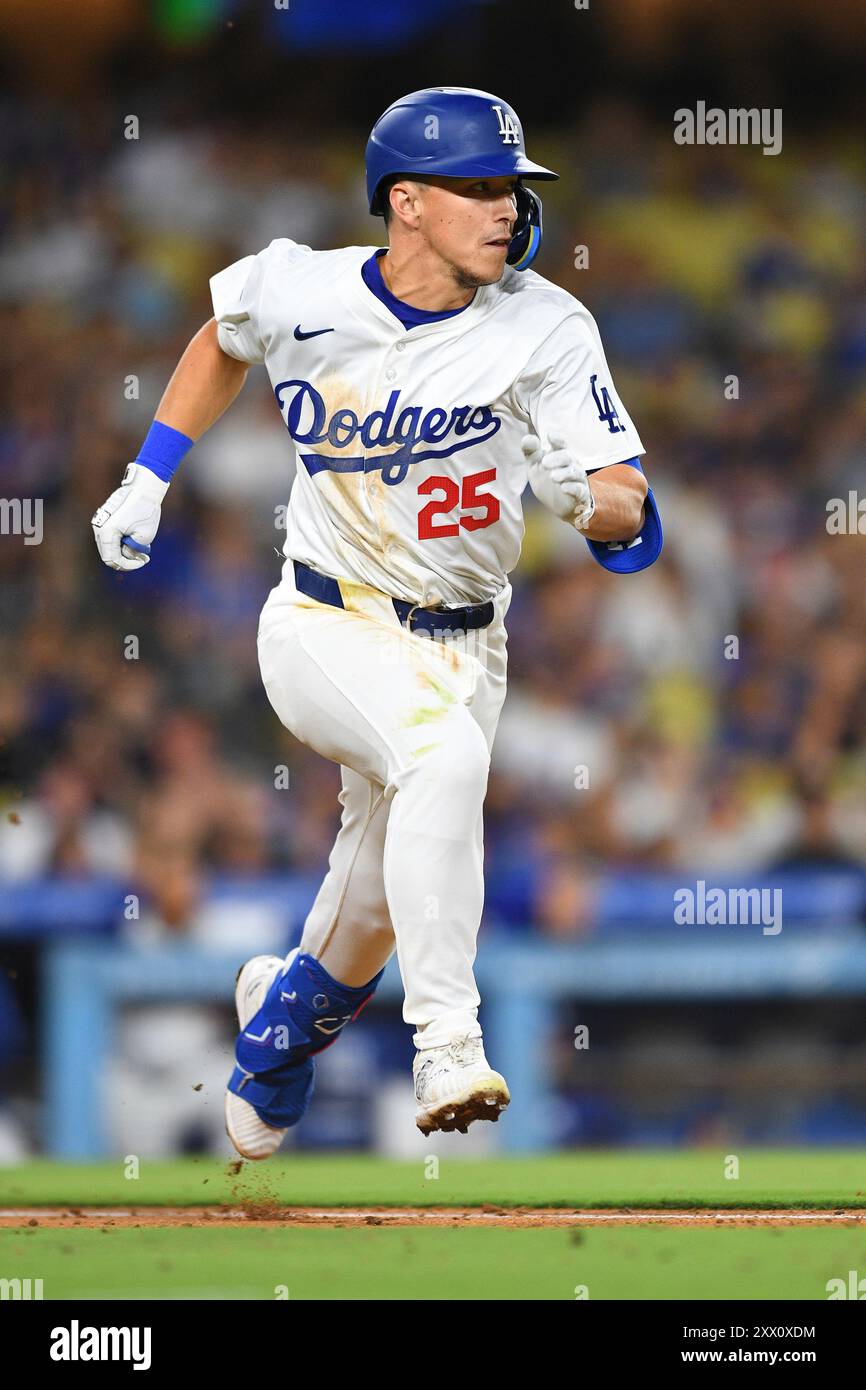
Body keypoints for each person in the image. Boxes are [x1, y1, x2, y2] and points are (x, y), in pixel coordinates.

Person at [92, 87, 661, 1159]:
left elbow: (628, 500)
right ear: (405, 201)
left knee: (377, 904)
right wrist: (148, 473)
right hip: (322, 620)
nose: (507, 208)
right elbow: (225, 335)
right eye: (480, 187)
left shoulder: (545, 323)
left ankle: (274, 1034)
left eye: (512, 188)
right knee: (442, 763)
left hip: (467, 640)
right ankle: (446, 1037)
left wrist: (588, 502)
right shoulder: (298, 286)